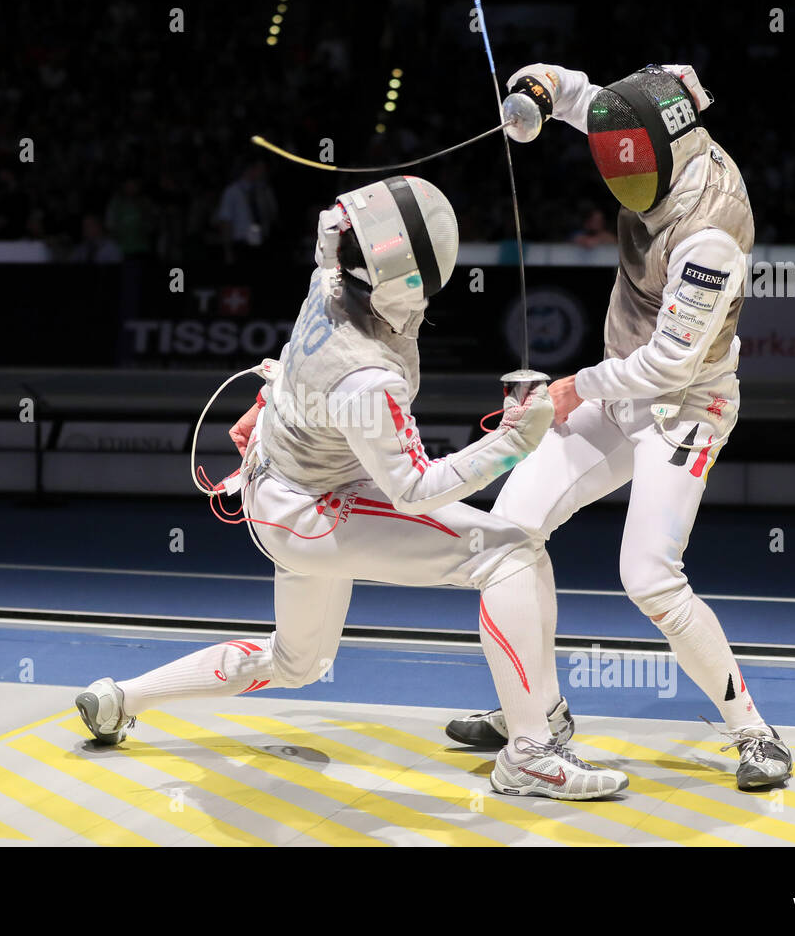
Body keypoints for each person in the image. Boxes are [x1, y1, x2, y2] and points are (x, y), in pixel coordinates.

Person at [77, 175, 629, 801]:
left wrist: (272, 394)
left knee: (297, 663)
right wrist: (512, 441)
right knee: (510, 552)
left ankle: (119, 699)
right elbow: (414, 489)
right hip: (313, 511)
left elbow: (329, 234)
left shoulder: (330, 274)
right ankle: (531, 748)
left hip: (281, 490)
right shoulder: (366, 378)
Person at [447, 64, 793, 791]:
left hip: (688, 403)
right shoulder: (647, 119)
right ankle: (537, 716)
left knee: (649, 577)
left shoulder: (712, 230)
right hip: (618, 383)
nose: (624, 193)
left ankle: (754, 733)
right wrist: (531, 98)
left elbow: (669, 367)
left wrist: (574, 387)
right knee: (507, 533)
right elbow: (572, 91)